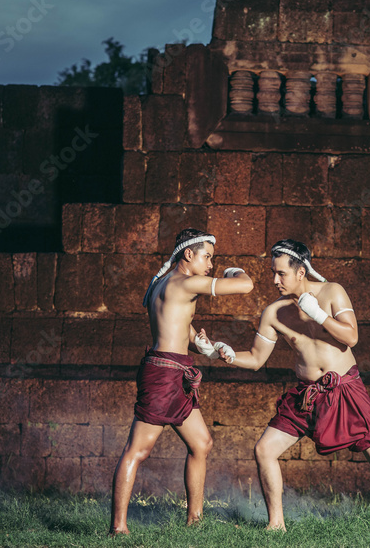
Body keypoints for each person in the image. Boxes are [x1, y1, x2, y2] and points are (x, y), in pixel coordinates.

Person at [213, 238, 370, 531]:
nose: (274, 280)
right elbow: (257, 358)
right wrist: (229, 355)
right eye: (273, 272)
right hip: (306, 395)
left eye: (281, 273)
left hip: (345, 390)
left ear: (300, 272)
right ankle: (276, 525)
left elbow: (351, 338)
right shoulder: (274, 312)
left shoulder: (333, 291)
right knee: (264, 450)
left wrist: (319, 314)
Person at [109, 228, 253, 534]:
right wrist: (233, 270)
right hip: (164, 372)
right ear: (188, 255)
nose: (211, 264)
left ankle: (195, 521)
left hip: (172, 368)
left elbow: (175, 325)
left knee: (201, 443)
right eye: (208, 257)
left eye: (213, 260)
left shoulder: (162, 282)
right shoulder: (187, 281)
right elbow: (246, 285)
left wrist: (197, 343)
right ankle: (118, 528)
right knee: (137, 450)